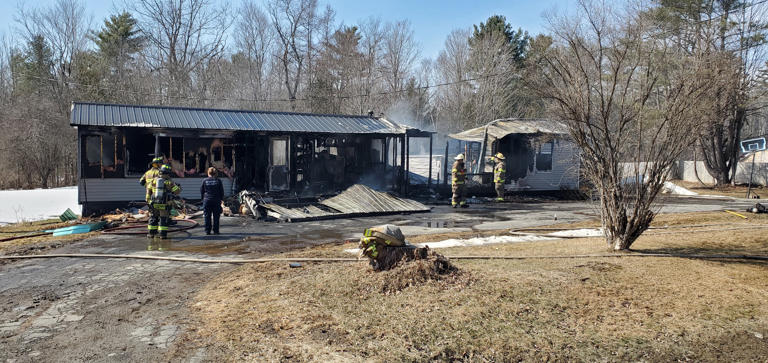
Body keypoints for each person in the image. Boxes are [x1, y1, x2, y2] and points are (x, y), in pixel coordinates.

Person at [146, 164, 182, 239]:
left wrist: (149, 201)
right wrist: (178, 187)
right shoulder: (169, 182)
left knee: (153, 217)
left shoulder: (153, 180)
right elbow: (177, 191)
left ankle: (151, 234)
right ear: (168, 173)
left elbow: (148, 191)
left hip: (154, 203)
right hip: (164, 204)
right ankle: (162, 235)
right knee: (163, 219)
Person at [200, 167, 224, 235]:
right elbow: (221, 191)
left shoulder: (204, 180)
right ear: (215, 173)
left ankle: (207, 231)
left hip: (207, 200)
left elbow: (202, 191)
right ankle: (216, 231)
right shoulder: (218, 180)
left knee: (207, 215)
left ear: (208, 173)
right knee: (216, 216)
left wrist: (202, 199)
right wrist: (221, 199)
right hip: (216, 200)